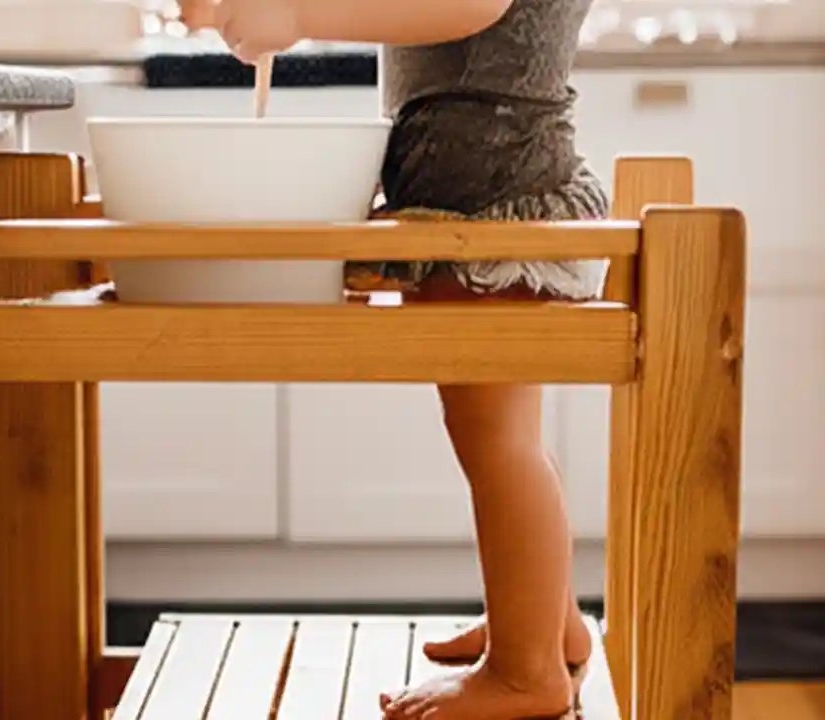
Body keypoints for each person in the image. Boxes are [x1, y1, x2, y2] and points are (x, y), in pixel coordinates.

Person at [181, 0, 607, 717]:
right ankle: (542, 624)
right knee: (498, 434)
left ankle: (525, 670)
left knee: (497, 439)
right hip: (482, 191)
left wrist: (296, 14)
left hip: (499, 197)